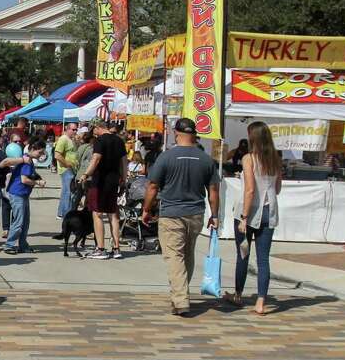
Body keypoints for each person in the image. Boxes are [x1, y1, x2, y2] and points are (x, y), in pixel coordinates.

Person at [141, 118, 221, 316]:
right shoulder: (205, 159)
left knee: (174, 256)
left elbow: (152, 186)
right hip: (196, 213)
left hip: (171, 213)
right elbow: (213, 190)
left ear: (177, 133)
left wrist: (146, 209)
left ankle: (181, 299)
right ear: (194, 134)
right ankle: (180, 294)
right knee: (187, 254)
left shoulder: (167, 157)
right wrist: (215, 215)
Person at [227, 121, 282, 316]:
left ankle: (238, 294)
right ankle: (261, 302)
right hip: (270, 209)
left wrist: (244, 217)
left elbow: (249, 190)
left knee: (243, 254)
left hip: (249, 210)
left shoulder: (249, 158)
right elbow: (278, 188)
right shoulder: (275, 159)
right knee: (263, 259)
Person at [82, 120, 127, 260]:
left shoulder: (100, 141)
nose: (93, 133)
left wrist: (85, 174)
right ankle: (116, 248)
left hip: (100, 181)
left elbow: (96, 159)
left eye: (93, 130)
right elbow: (124, 162)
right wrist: (123, 179)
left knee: (97, 214)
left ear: (97, 128)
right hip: (114, 181)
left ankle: (100, 249)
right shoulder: (119, 141)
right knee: (113, 214)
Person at [5, 141, 46, 254]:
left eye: (42, 153)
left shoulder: (28, 160)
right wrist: (38, 182)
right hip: (17, 194)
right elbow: (24, 180)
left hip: (23, 194)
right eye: (39, 152)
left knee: (25, 221)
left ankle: (23, 245)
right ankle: (9, 245)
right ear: (32, 149)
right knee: (18, 221)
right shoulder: (27, 161)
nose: (40, 155)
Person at [54, 121, 79, 219]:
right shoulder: (63, 139)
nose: (75, 131)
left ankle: (61, 213)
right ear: (67, 129)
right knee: (68, 192)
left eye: (76, 129)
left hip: (70, 169)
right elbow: (57, 155)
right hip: (66, 169)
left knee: (67, 191)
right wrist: (67, 164)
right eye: (73, 129)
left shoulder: (71, 139)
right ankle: (66, 214)